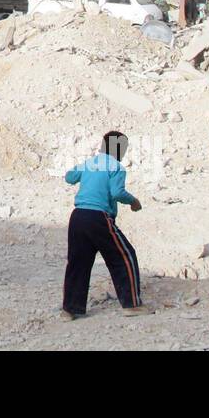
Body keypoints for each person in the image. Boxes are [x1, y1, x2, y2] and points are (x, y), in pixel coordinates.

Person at [61, 130, 150, 320]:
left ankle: (70, 309)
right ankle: (132, 305)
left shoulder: (90, 163)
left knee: (78, 262)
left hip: (77, 217)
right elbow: (117, 192)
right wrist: (134, 201)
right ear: (119, 149)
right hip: (98, 217)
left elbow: (69, 177)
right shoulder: (116, 167)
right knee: (124, 256)